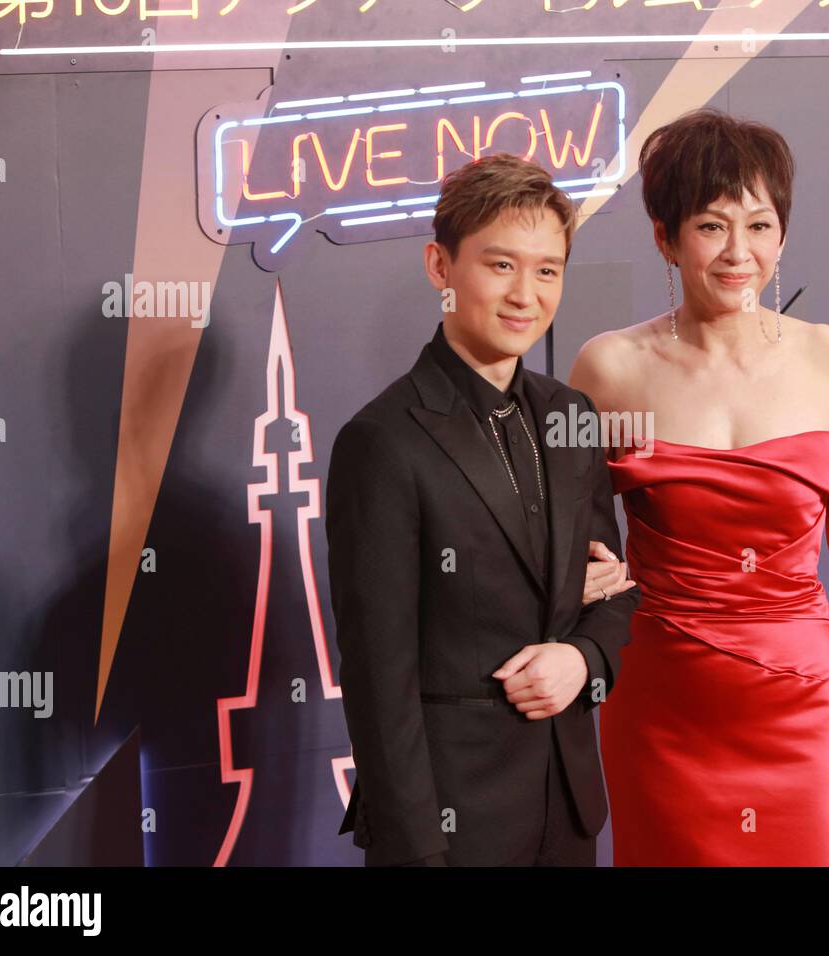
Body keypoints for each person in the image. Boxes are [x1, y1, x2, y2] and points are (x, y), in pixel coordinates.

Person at [570, 108, 829, 866]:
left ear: (782, 235)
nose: (739, 253)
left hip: (798, 697)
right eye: (711, 226)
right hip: (661, 699)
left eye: (759, 226)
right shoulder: (609, 368)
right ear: (665, 236)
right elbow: (569, 528)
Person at [325, 152, 639, 866]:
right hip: (449, 827)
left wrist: (582, 658)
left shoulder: (572, 418)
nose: (525, 294)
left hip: (569, 814)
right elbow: (379, 679)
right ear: (441, 266)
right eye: (501, 265)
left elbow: (616, 587)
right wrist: (417, 852)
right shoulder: (382, 441)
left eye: (547, 269)